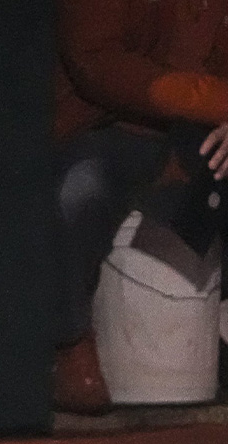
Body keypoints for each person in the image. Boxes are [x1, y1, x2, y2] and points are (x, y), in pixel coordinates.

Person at [54, 0, 228, 413]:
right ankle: (67, 342)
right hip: (113, 126)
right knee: (80, 188)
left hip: (206, 130)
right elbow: (96, 62)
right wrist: (214, 103)